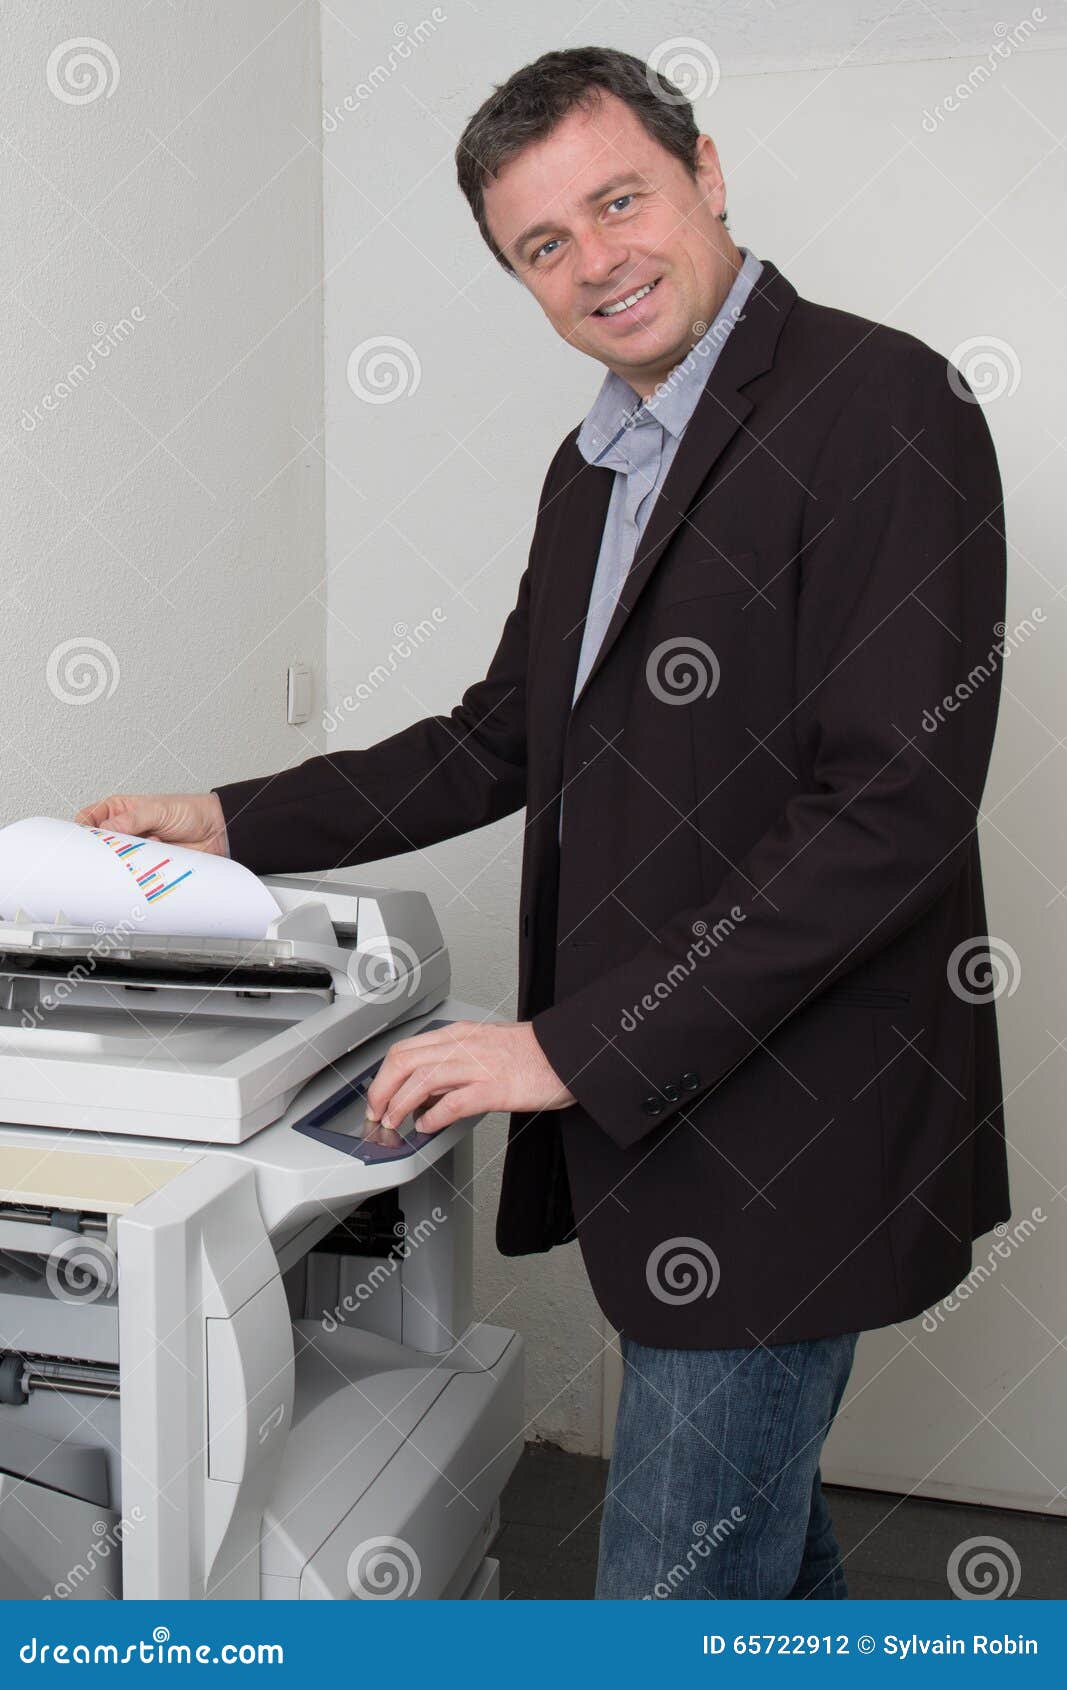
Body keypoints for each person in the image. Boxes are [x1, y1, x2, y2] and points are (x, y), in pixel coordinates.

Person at [75, 46, 1010, 1600]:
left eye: (619, 200)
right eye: (544, 247)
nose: (597, 264)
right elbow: (502, 736)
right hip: (668, 1119)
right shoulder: (597, 466)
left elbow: (892, 810)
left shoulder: (882, 403)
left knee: (670, 1597)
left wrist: (563, 1047)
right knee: (762, 1571)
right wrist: (228, 819)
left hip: (787, 1141)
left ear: (706, 173)